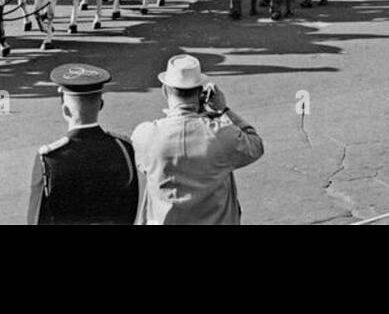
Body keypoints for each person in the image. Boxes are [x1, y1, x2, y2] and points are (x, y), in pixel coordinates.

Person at [131, 54, 264, 225]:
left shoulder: (145, 135)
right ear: (201, 92)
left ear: (165, 90)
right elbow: (255, 144)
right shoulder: (222, 134)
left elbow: (143, 166)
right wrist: (224, 110)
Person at [26, 64, 138, 225]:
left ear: (65, 111)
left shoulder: (50, 159)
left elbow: (37, 219)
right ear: (100, 105)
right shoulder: (124, 149)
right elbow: (130, 210)